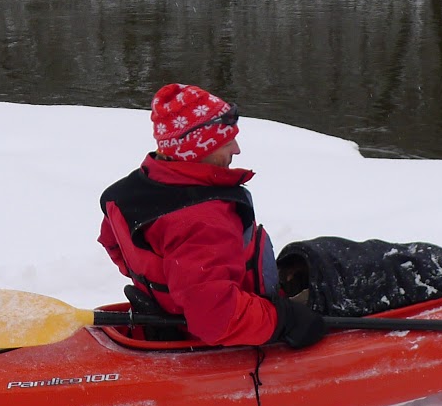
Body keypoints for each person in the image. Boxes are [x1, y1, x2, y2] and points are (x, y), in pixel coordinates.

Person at [97, 83, 328, 349]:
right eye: (227, 142)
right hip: (226, 334)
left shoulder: (130, 194)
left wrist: (169, 293)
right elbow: (217, 318)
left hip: (190, 312)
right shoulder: (203, 222)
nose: (237, 150)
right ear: (198, 150)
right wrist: (284, 320)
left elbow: (115, 244)